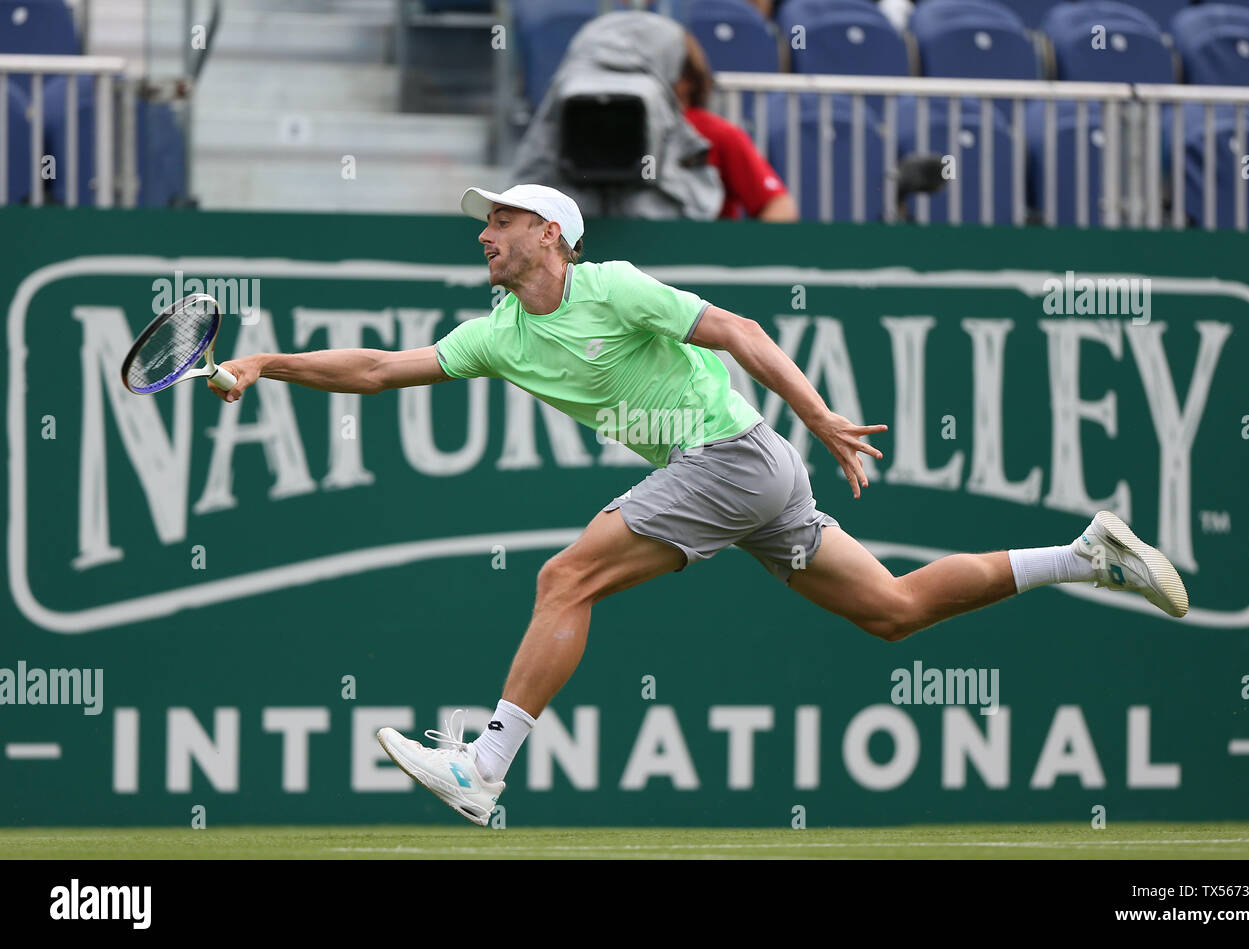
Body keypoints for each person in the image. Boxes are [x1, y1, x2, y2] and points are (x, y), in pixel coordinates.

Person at [207, 183, 1189, 826]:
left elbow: (742, 331)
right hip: (751, 482)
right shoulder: (500, 333)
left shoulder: (614, 284)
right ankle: (1086, 554)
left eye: (500, 221)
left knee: (563, 575)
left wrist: (821, 416)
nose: (484, 233)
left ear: (549, 234)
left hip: (736, 454)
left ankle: (485, 765)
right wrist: (264, 361)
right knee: (892, 610)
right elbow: (378, 368)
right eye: (485, 223)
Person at [676, 33, 799, 222]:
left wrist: (742, 251)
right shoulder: (620, 130)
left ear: (689, 79)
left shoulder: (718, 133)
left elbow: (780, 207)